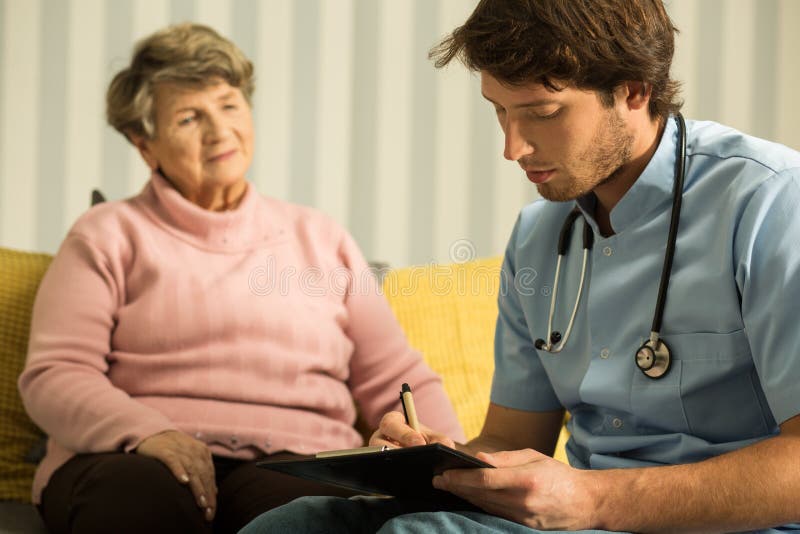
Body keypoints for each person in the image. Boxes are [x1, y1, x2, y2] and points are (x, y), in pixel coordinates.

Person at [240, 0, 800, 532]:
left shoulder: (770, 203)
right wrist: (434, 459)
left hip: (727, 526)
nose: (513, 147)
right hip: (575, 520)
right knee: (294, 524)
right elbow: (509, 437)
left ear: (633, 91)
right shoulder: (539, 236)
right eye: (499, 112)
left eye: (542, 113)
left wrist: (589, 498)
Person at [17, 23, 464, 534]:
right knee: (139, 503)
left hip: (295, 461)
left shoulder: (320, 236)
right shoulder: (107, 233)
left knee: (318, 519)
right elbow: (57, 374)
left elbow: (395, 376)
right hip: (139, 456)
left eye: (229, 105)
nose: (219, 131)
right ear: (145, 145)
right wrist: (150, 433)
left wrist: (453, 469)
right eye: (189, 117)